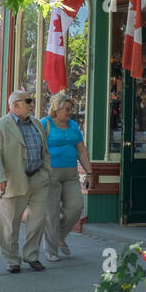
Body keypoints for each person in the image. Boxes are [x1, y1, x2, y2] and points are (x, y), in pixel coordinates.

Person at [0, 89, 49, 273]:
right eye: (28, 101)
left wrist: (47, 171)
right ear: (15, 105)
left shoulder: (37, 123)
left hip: (38, 178)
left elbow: (44, 150)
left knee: (38, 220)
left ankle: (31, 255)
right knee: (9, 224)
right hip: (13, 180)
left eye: (31, 100)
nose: (32, 104)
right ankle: (12, 260)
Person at [41, 91, 93, 261]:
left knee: (76, 208)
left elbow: (82, 150)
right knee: (52, 213)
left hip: (71, 173)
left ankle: (60, 237)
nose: (70, 112)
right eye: (67, 109)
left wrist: (89, 172)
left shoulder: (73, 126)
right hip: (50, 173)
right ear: (56, 109)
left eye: (71, 109)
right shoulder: (45, 124)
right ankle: (51, 250)